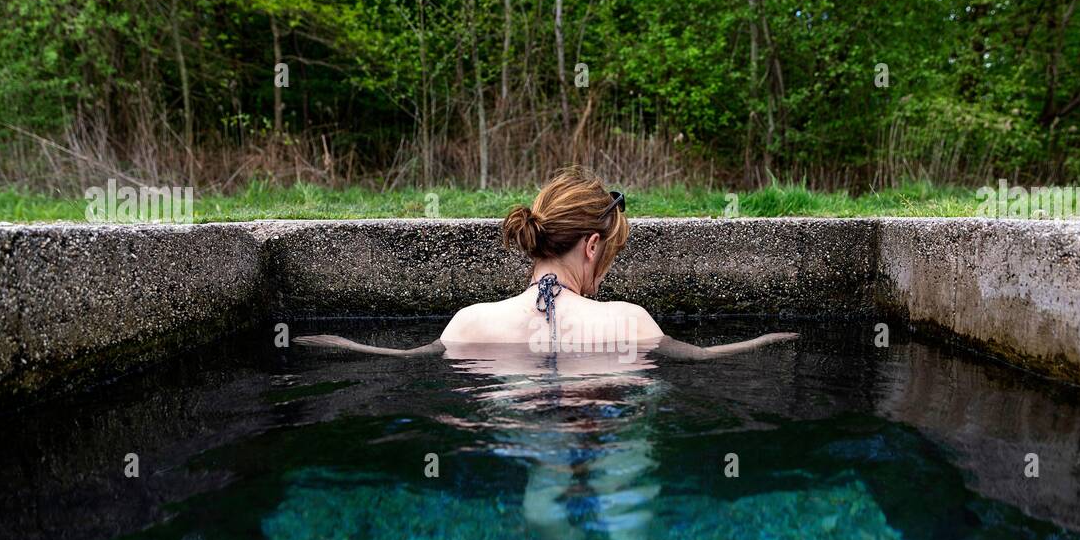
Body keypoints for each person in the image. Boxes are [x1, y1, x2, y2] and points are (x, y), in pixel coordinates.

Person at [294, 167, 797, 361]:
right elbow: (703, 358)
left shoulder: (468, 324)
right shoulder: (629, 322)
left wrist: (335, 343)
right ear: (593, 246)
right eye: (610, 255)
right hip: (604, 434)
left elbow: (404, 361)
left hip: (520, 433)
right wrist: (771, 338)